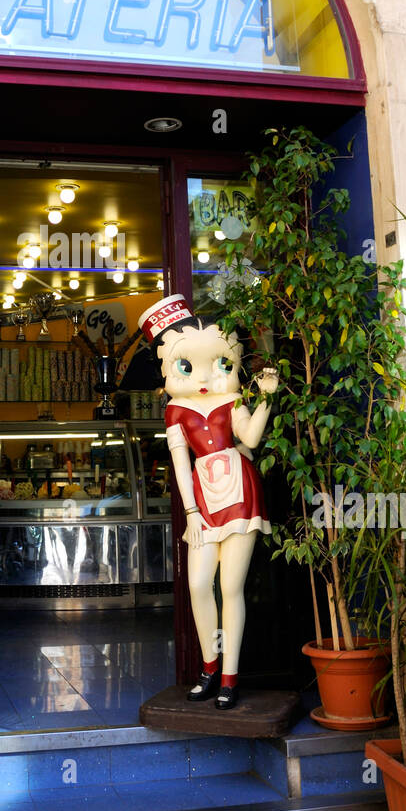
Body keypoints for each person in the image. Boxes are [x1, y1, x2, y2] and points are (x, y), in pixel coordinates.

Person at [140, 294, 278, 709]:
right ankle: (208, 667)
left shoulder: (233, 402)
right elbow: (180, 466)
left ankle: (230, 678)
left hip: (240, 493)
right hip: (202, 501)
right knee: (200, 584)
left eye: (220, 363)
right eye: (185, 365)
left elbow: (250, 439)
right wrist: (191, 514)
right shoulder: (175, 412)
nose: (203, 375)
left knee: (231, 587)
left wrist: (266, 397)